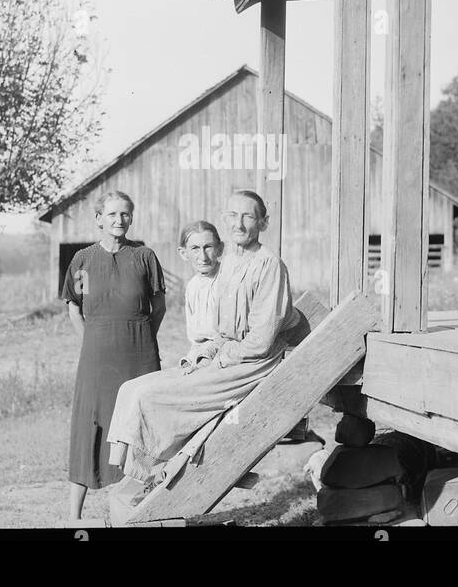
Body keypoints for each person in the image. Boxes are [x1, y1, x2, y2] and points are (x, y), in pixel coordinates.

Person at [106, 190, 300, 492]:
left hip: (253, 366)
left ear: (262, 222)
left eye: (248, 216)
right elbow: (222, 332)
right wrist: (203, 353)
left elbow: (261, 342)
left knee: (150, 396)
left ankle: (152, 471)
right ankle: (135, 473)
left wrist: (218, 359)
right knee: (131, 388)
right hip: (228, 357)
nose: (239, 223)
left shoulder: (269, 264)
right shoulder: (232, 263)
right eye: (233, 216)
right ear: (225, 219)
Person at [61, 189, 166, 520]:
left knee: (141, 425)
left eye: (125, 214)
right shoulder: (83, 261)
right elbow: (74, 310)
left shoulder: (145, 256)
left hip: (140, 352)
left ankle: (139, 509)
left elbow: (158, 306)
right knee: (89, 423)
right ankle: (73, 516)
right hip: (96, 355)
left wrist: (143, 336)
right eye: (112, 215)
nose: (119, 220)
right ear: (98, 219)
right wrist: (92, 341)